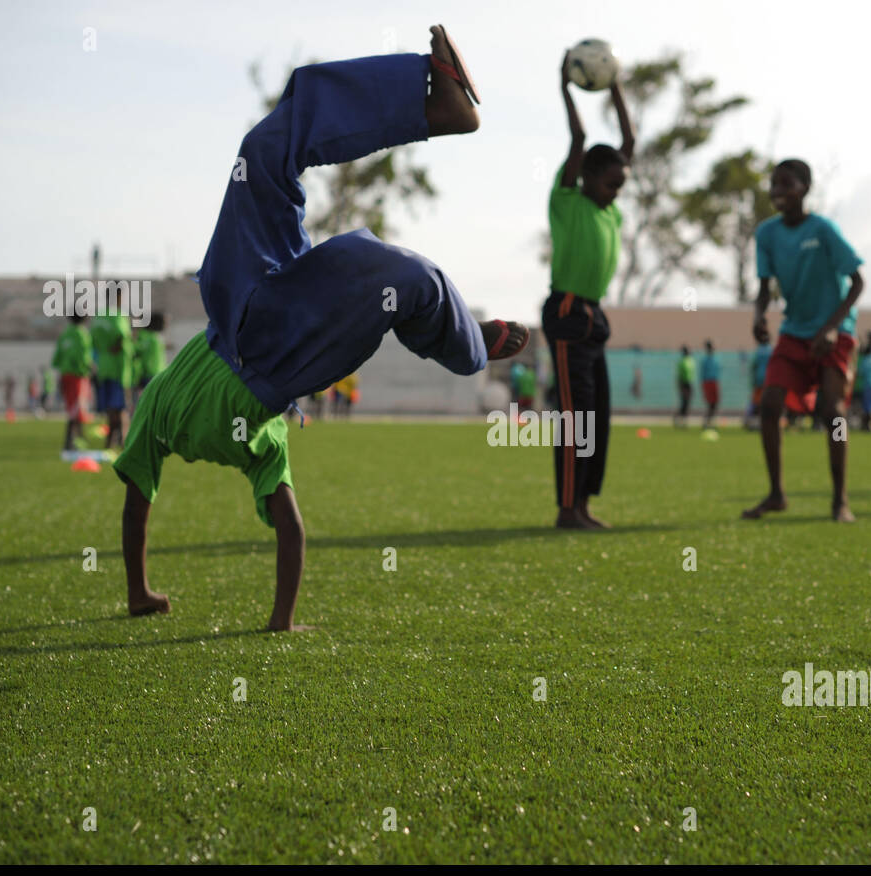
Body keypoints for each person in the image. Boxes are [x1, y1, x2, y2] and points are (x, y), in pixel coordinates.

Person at [112, 27, 527, 630]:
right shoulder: (265, 441)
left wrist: (138, 591)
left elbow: (135, 503)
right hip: (278, 355)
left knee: (261, 150)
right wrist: (281, 620)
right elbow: (290, 530)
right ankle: (464, 340)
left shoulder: (153, 409)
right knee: (393, 273)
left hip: (241, 302)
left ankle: (431, 102)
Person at [543, 46, 634, 529]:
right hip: (567, 311)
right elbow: (580, 136)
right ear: (587, 178)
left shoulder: (608, 209)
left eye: (621, 185)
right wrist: (564, 88)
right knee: (574, 416)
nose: (617, 192)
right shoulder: (568, 199)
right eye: (611, 183)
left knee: (597, 416)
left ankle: (582, 505)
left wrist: (615, 84)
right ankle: (566, 509)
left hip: (594, 315)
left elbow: (629, 140)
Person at [745, 159, 865, 522]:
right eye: (774, 185)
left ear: (805, 188)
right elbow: (764, 288)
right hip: (795, 331)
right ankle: (776, 494)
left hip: (834, 331)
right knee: (769, 404)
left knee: (834, 412)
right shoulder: (766, 235)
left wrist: (831, 327)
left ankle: (840, 499)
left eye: (787, 184)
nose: (778, 191)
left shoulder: (824, 229)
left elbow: (857, 282)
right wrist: (758, 316)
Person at [91, 285, 135, 448]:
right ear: (118, 296)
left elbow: (94, 341)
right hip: (120, 369)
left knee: (110, 408)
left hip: (103, 368)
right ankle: (124, 441)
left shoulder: (98, 317)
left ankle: (110, 441)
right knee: (121, 408)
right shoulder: (119, 316)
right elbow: (122, 338)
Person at [51, 309, 95, 451]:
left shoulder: (65, 335)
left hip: (66, 375)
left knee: (73, 408)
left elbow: (57, 359)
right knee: (77, 409)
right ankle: (70, 442)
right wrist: (91, 369)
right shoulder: (82, 334)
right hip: (78, 376)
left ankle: (78, 440)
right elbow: (84, 357)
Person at [745, 341, 773, 430]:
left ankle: (753, 424)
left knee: (756, 402)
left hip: (758, 380)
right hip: (768, 380)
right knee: (765, 403)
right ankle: (764, 424)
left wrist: (753, 380)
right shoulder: (771, 351)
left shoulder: (758, 351)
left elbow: (754, 366)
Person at [700, 339, 721, 428]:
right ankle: (707, 422)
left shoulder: (715, 358)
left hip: (714, 382)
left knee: (714, 403)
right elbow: (703, 374)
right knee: (710, 403)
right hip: (708, 383)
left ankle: (709, 421)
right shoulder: (705, 360)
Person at [674, 345, 695, 427]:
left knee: (687, 403)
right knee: (684, 403)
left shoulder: (691, 361)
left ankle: (684, 421)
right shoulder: (682, 362)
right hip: (683, 383)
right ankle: (679, 419)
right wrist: (679, 386)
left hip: (689, 383)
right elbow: (679, 375)